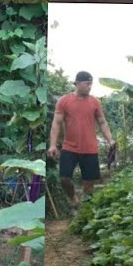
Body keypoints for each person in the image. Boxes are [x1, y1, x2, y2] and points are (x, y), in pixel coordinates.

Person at [47, 71, 113, 206]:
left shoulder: (95, 102)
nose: (90, 87)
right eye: (87, 84)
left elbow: (102, 122)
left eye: (91, 84)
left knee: (89, 184)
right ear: (77, 83)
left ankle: (85, 208)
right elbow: (56, 123)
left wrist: (110, 140)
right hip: (69, 148)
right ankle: (73, 198)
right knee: (64, 178)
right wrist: (53, 145)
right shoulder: (64, 101)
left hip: (90, 148)